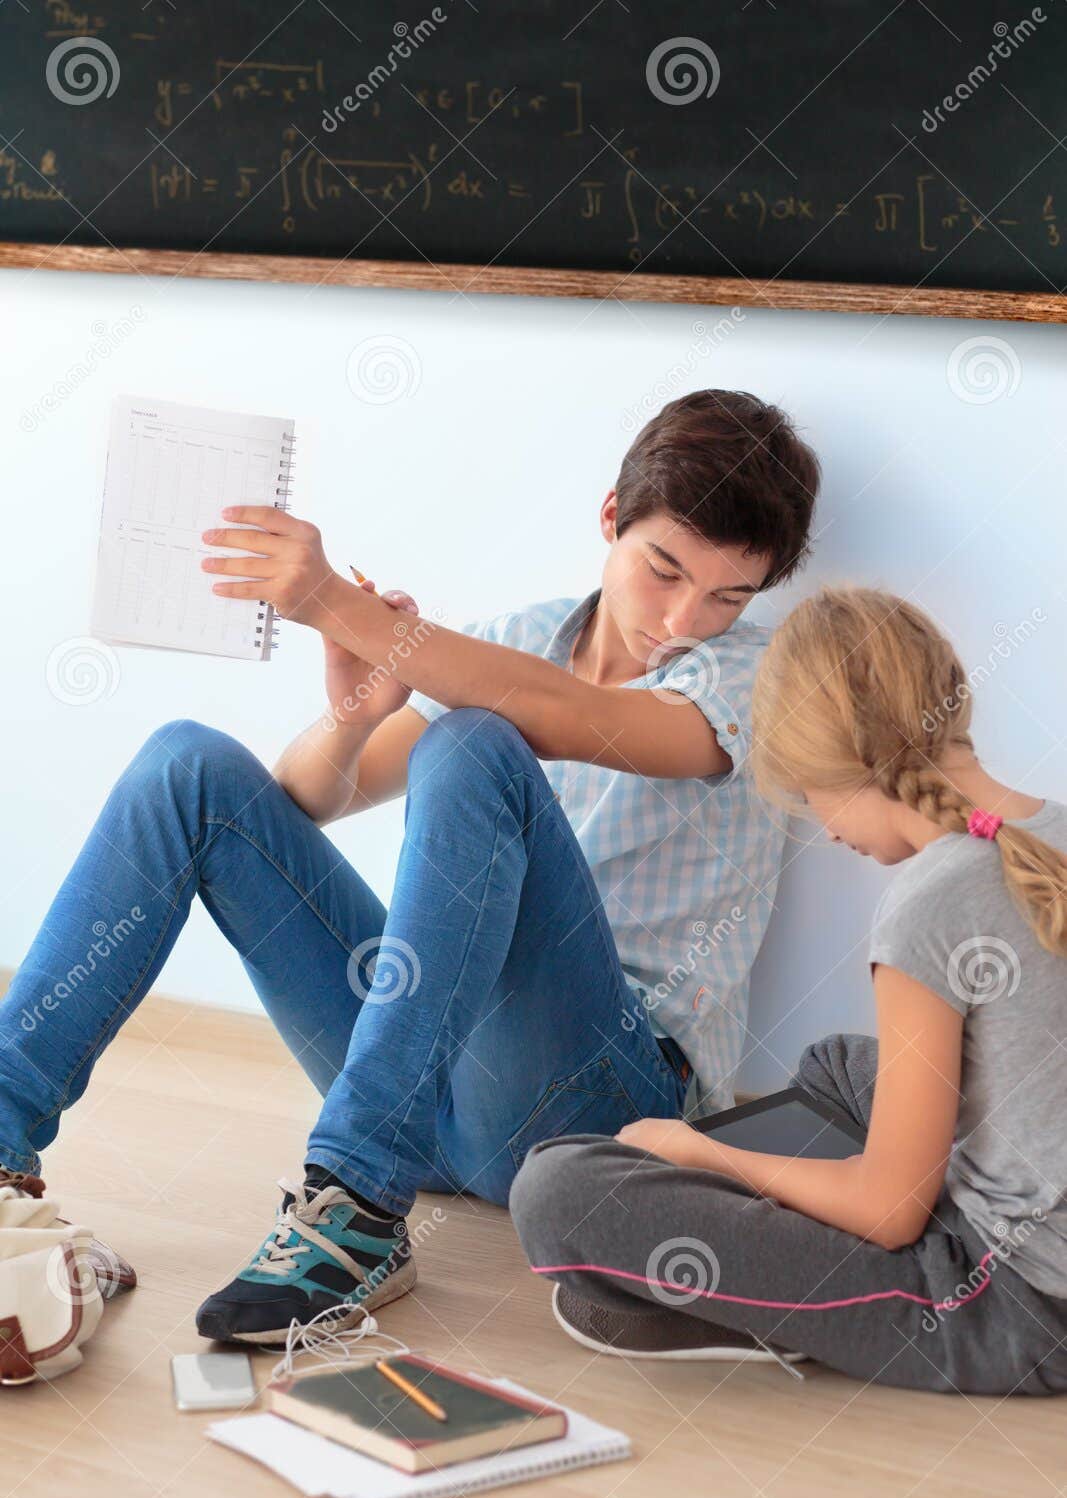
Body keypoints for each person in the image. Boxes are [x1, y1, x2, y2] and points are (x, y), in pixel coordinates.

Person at [0, 390, 819, 1345]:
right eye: (663, 570)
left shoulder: (750, 678)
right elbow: (300, 802)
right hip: (427, 1087)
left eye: (727, 595)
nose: (682, 618)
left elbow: (571, 718)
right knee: (188, 768)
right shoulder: (518, 641)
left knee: (474, 740)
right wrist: (356, 709)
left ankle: (352, 1205)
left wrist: (331, 602)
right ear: (610, 519)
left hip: (600, 1108)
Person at [510, 586, 1067, 1394]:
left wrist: (702, 1153)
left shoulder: (929, 903)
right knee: (837, 1065)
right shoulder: (1049, 828)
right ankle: (781, 1245)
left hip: (1013, 1304)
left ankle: (784, 1293)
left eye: (806, 799)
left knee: (558, 1192)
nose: (827, 831)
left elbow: (890, 1211)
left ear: (829, 766)